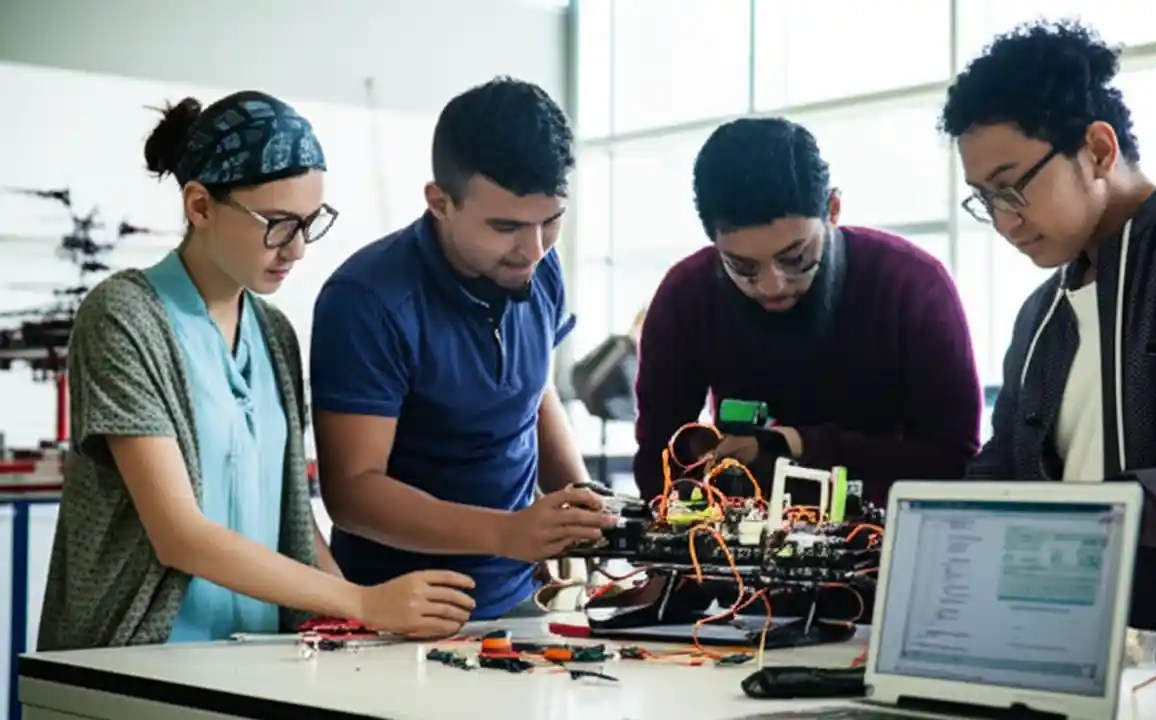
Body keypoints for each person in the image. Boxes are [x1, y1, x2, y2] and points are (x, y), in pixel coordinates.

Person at [37, 90, 475, 651]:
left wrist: (370, 624)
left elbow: (292, 519)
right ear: (199, 206)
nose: (295, 250)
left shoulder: (274, 334)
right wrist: (364, 601)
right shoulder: (123, 318)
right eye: (276, 223)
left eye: (308, 224)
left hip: (254, 663)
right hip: (137, 664)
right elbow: (180, 536)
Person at [942, 19, 1156, 660]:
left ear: (1098, 149)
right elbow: (1005, 470)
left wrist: (1141, 504)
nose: (1004, 220)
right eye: (985, 200)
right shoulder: (1042, 314)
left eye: (1014, 186)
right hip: (1071, 657)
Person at [308, 77, 612, 622]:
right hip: (399, 614)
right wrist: (507, 532)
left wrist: (581, 504)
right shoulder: (366, 300)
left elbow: (535, 391)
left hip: (521, 598)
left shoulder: (537, 267)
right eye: (506, 226)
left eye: (552, 221)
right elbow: (352, 494)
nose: (534, 249)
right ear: (440, 202)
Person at [632, 117, 983, 508]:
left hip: (889, 539)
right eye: (742, 267)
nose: (771, 285)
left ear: (833, 210)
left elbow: (953, 459)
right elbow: (657, 462)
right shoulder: (687, 294)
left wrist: (796, 444)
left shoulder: (912, 285)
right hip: (738, 547)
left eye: (795, 258)